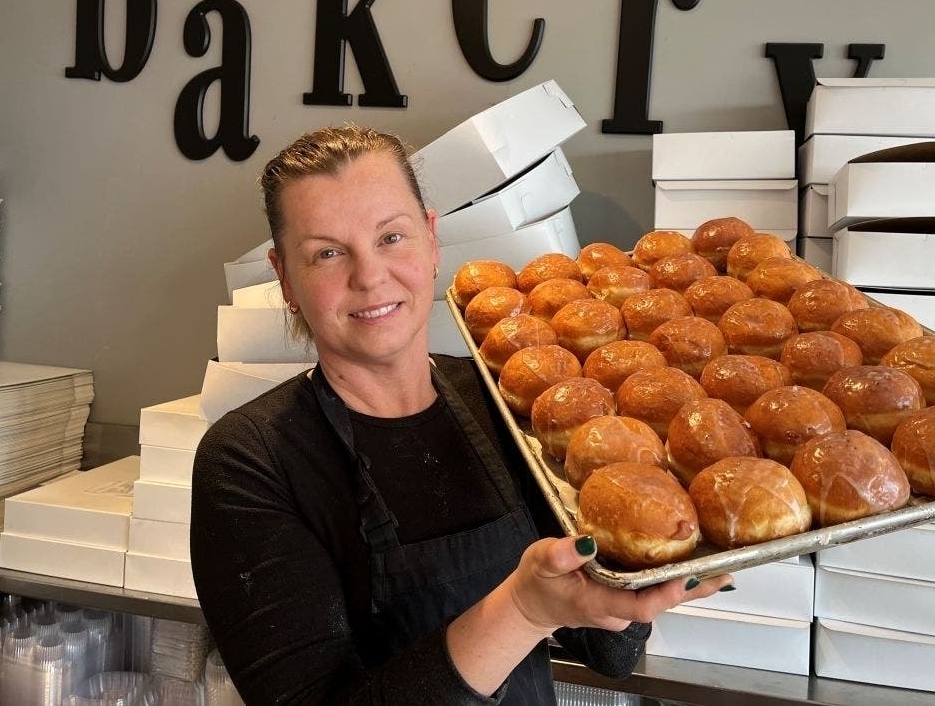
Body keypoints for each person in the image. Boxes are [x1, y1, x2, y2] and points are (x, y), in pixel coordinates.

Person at [190, 125, 731, 704]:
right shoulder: (249, 461)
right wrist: (524, 610)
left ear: (430, 238)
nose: (370, 276)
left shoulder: (501, 398)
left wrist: (648, 541)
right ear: (285, 279)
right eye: (326, 252)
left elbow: (611, 654)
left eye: (391, 237)